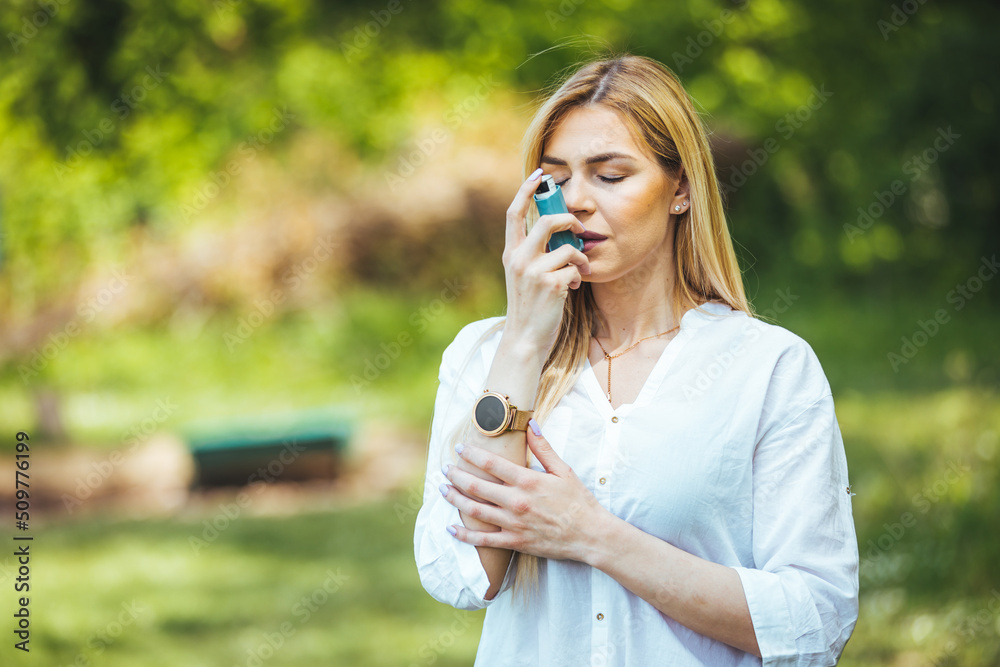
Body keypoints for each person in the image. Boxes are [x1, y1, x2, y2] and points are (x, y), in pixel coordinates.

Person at [413, 53, 859, 666]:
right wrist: (522, 344)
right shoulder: (485, 354)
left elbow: (813, 620)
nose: (575, 201)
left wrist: (593, 536)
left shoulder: (769, 367)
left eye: (610, 176)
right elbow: (461, 574)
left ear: (679, 189)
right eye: (554, 178)